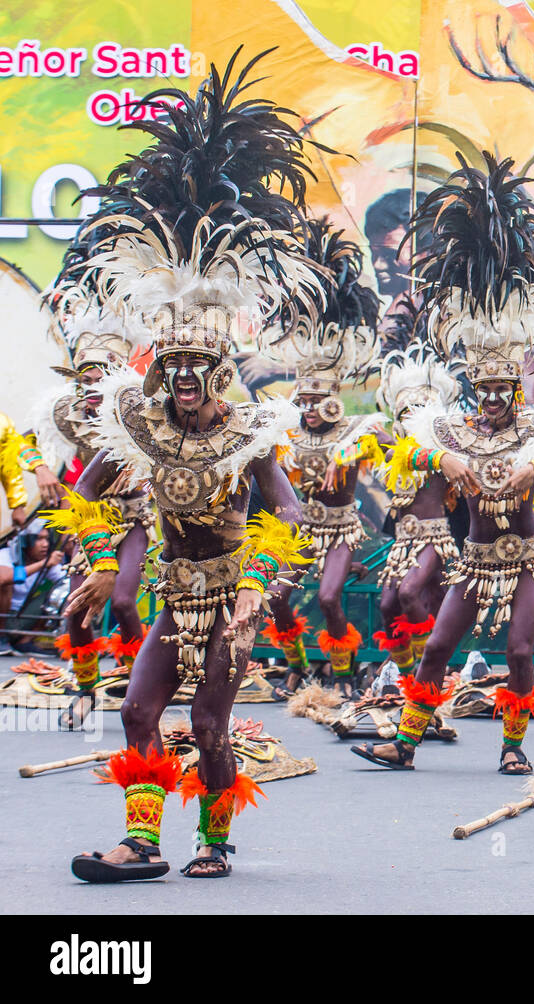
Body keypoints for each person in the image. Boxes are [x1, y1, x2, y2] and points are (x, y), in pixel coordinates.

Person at [55, 50, 316, 882]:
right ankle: (140, 841)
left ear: (218, 376)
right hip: (176, 592)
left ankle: (213, 840)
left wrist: (256, 589)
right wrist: (98, 562)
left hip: (231, 597)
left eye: (197, 376)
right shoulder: (136, 426)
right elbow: (84, 492)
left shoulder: (248, 433)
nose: (184, 389)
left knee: (209, 724)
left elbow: (290, 513)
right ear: (163, 376)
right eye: (172, 375)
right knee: (137, 709)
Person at [350, 153, 534, 776]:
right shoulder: (451, 430)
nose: (491, 401)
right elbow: (410, 445)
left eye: (501, 392)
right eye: (482, 391)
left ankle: (513, 747)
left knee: (517, 651)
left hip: (526, 559)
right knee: (435, 645)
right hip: (474, 558)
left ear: (514, 391)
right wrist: (445, 460)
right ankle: (404, 742)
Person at [261, 219, 382, 699]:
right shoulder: (286, 434)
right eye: (302, 401)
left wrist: (351, 447)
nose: (310, 410)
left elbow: (381, 431)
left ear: (334, 399)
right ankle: (296, 666)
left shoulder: (355, 430)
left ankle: (344, 671)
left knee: (330, 597)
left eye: (318, 401)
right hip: (297, 530)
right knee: (279, 599)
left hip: (339, 529)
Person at [30, 292, 153, 726]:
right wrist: (42, 469)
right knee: (79, 610)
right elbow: (28, 441)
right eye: (85, 379)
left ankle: (141, 684)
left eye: (101, 379)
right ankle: (84, 690)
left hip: (136, 516)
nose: (92, 388)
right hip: (91, 518)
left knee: (122, 602)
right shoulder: (66, 413)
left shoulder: (142, 412)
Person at [369, 344, 462, 679]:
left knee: (409, 593)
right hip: (403, 539)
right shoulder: (393, 446)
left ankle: (428, 674)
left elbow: (421, 458)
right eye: (404, 412)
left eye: (417, 411)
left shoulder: (442, 447)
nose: (410, 417)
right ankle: (407, 676)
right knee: (387, 607)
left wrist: (388, 443)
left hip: (435, 536)